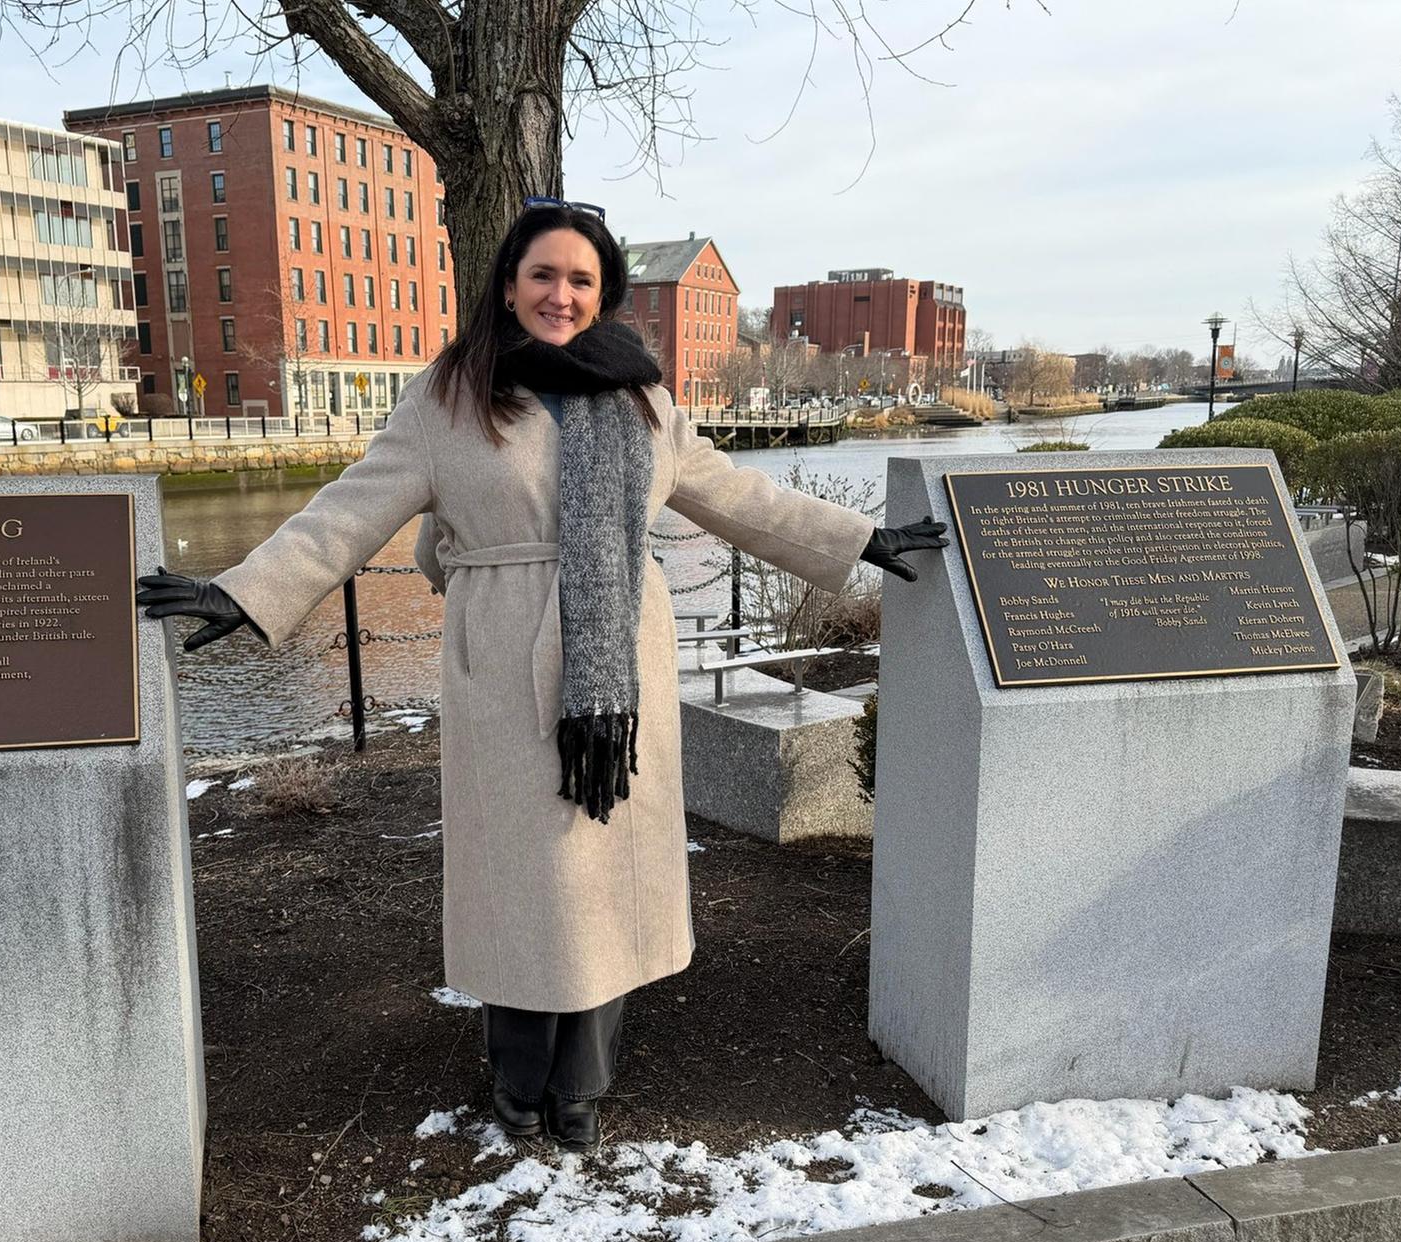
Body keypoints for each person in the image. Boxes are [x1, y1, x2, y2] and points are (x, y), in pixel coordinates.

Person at [136, 201, 946, 1151]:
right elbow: (351, 508)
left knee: (602, 870)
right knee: (528, 877)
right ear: (509, 283)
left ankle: (584, 1081)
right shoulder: (451, 393)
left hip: (620, 668)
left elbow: (736, 493)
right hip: (501, 655)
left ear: (603, 295)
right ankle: (518, 1073)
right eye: (542, 276)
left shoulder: (642, 398)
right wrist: (247, 589)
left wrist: (861, 538)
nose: (560, 295)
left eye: (580, 280)